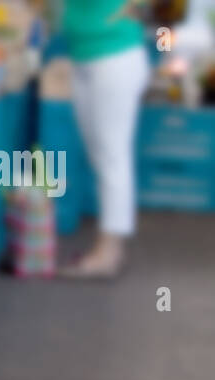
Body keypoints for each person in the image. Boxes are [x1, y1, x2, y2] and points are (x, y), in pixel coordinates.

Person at [58, 0, 148, 278]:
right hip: (84, 55)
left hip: (115, 56)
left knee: (111, 156)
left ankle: (108, 252)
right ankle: (110, 245)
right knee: (101, 156)